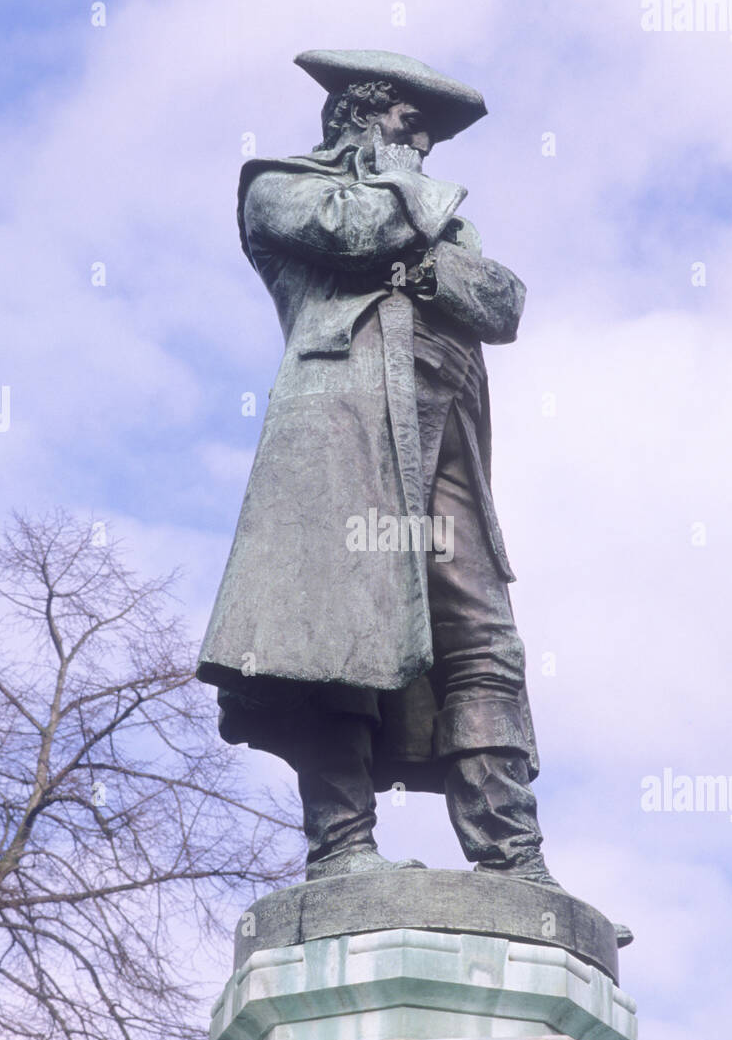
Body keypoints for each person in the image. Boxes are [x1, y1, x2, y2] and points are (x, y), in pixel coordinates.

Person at [197, 49, 559, 888]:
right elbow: (359, 233)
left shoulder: (442, 221)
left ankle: (516, 867)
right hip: (343, 438)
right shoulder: (278, 184)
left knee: (483, 639)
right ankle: (343, 851)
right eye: (410, 119)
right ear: (362, 112)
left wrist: (426, 265)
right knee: (339, 631)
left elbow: (501, 303)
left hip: (449, 445)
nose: (424, 139)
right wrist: (407, 213)